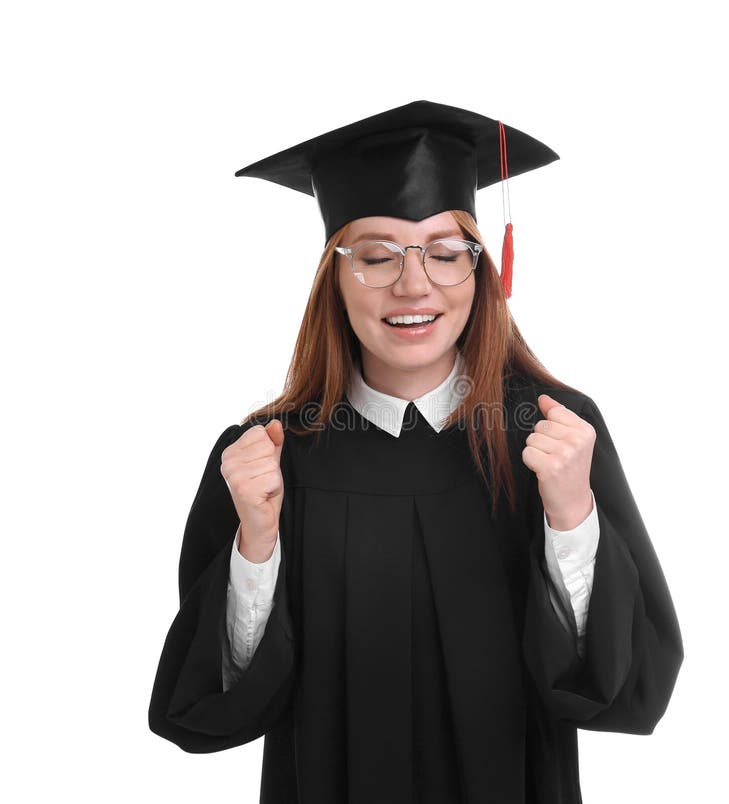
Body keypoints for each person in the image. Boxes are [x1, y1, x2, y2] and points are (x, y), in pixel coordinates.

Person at [148, 100, 683, 804]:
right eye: (376, 256)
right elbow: (210, 712)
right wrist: (255, 544)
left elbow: (629, 689)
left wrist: (573, 517)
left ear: (480, 269)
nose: (414, 284)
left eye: (444, 253)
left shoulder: (554, 432)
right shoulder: (273, 455)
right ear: (333, 278)